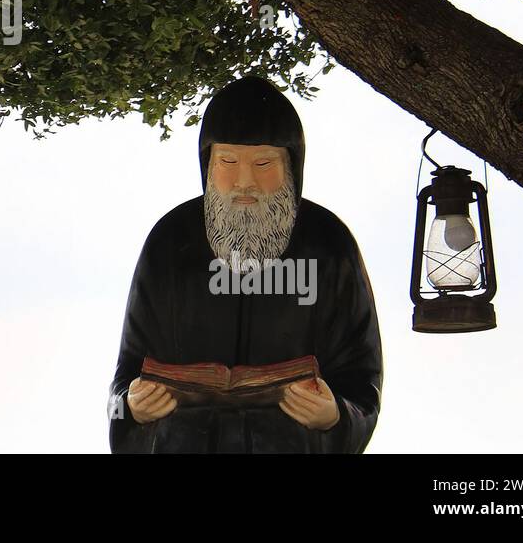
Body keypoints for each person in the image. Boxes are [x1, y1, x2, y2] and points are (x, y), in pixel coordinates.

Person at [108, 74, 383, 452]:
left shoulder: (329, 243)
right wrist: (132, 407)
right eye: (229, 161)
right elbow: (126, 375)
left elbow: (362, 378)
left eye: (264, 163)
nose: (244, 181)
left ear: (292, 167)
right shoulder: (170, 242)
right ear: (208, 164)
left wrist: (335, 415)